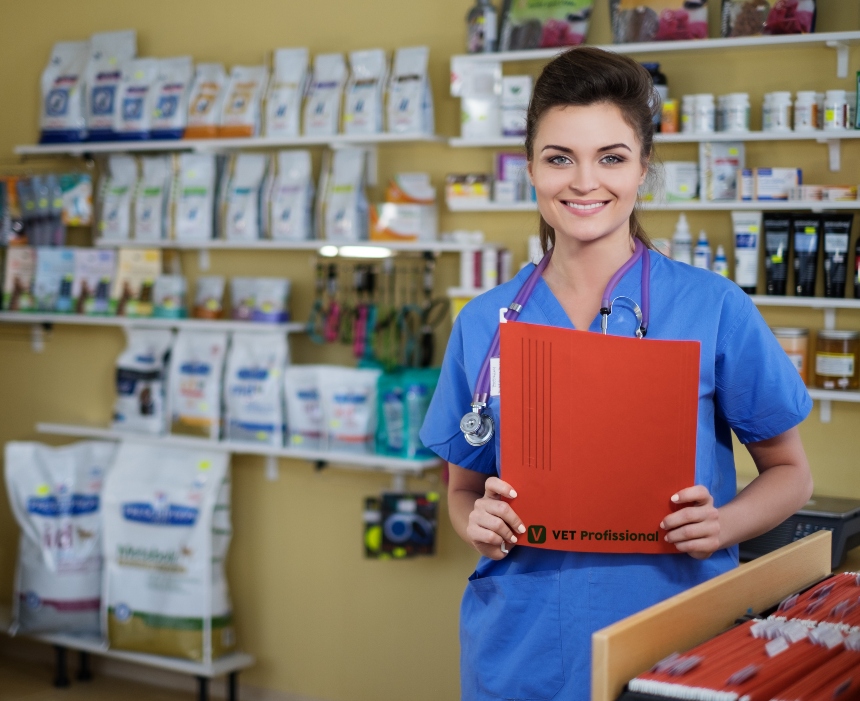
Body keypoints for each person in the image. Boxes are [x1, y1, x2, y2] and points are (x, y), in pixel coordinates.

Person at [419, 47, 813, 701]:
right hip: (522, 649)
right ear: (531, 168)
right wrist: (475, 523)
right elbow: (462, 488)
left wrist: (725, 524)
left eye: (610, 156)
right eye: (558, 157)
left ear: (643, 168)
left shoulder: (712, 307)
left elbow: (791, 473)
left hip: (676, 641)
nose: (583, 182)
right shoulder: (485, 320)